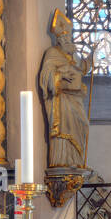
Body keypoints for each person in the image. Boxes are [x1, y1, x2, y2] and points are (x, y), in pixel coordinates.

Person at [38, 11, 92, 168]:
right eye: (64, 37)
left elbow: (82, 68)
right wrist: (61, 75)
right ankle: (63, 163)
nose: (67, 39)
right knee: (63, 130)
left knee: (83, 124)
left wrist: (89, 58)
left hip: (75, 98)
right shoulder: (52, 53)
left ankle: (77, 161)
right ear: (58, 39)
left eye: (68, 37)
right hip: (61, 100)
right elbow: (45, 76)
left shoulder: (72, 55)